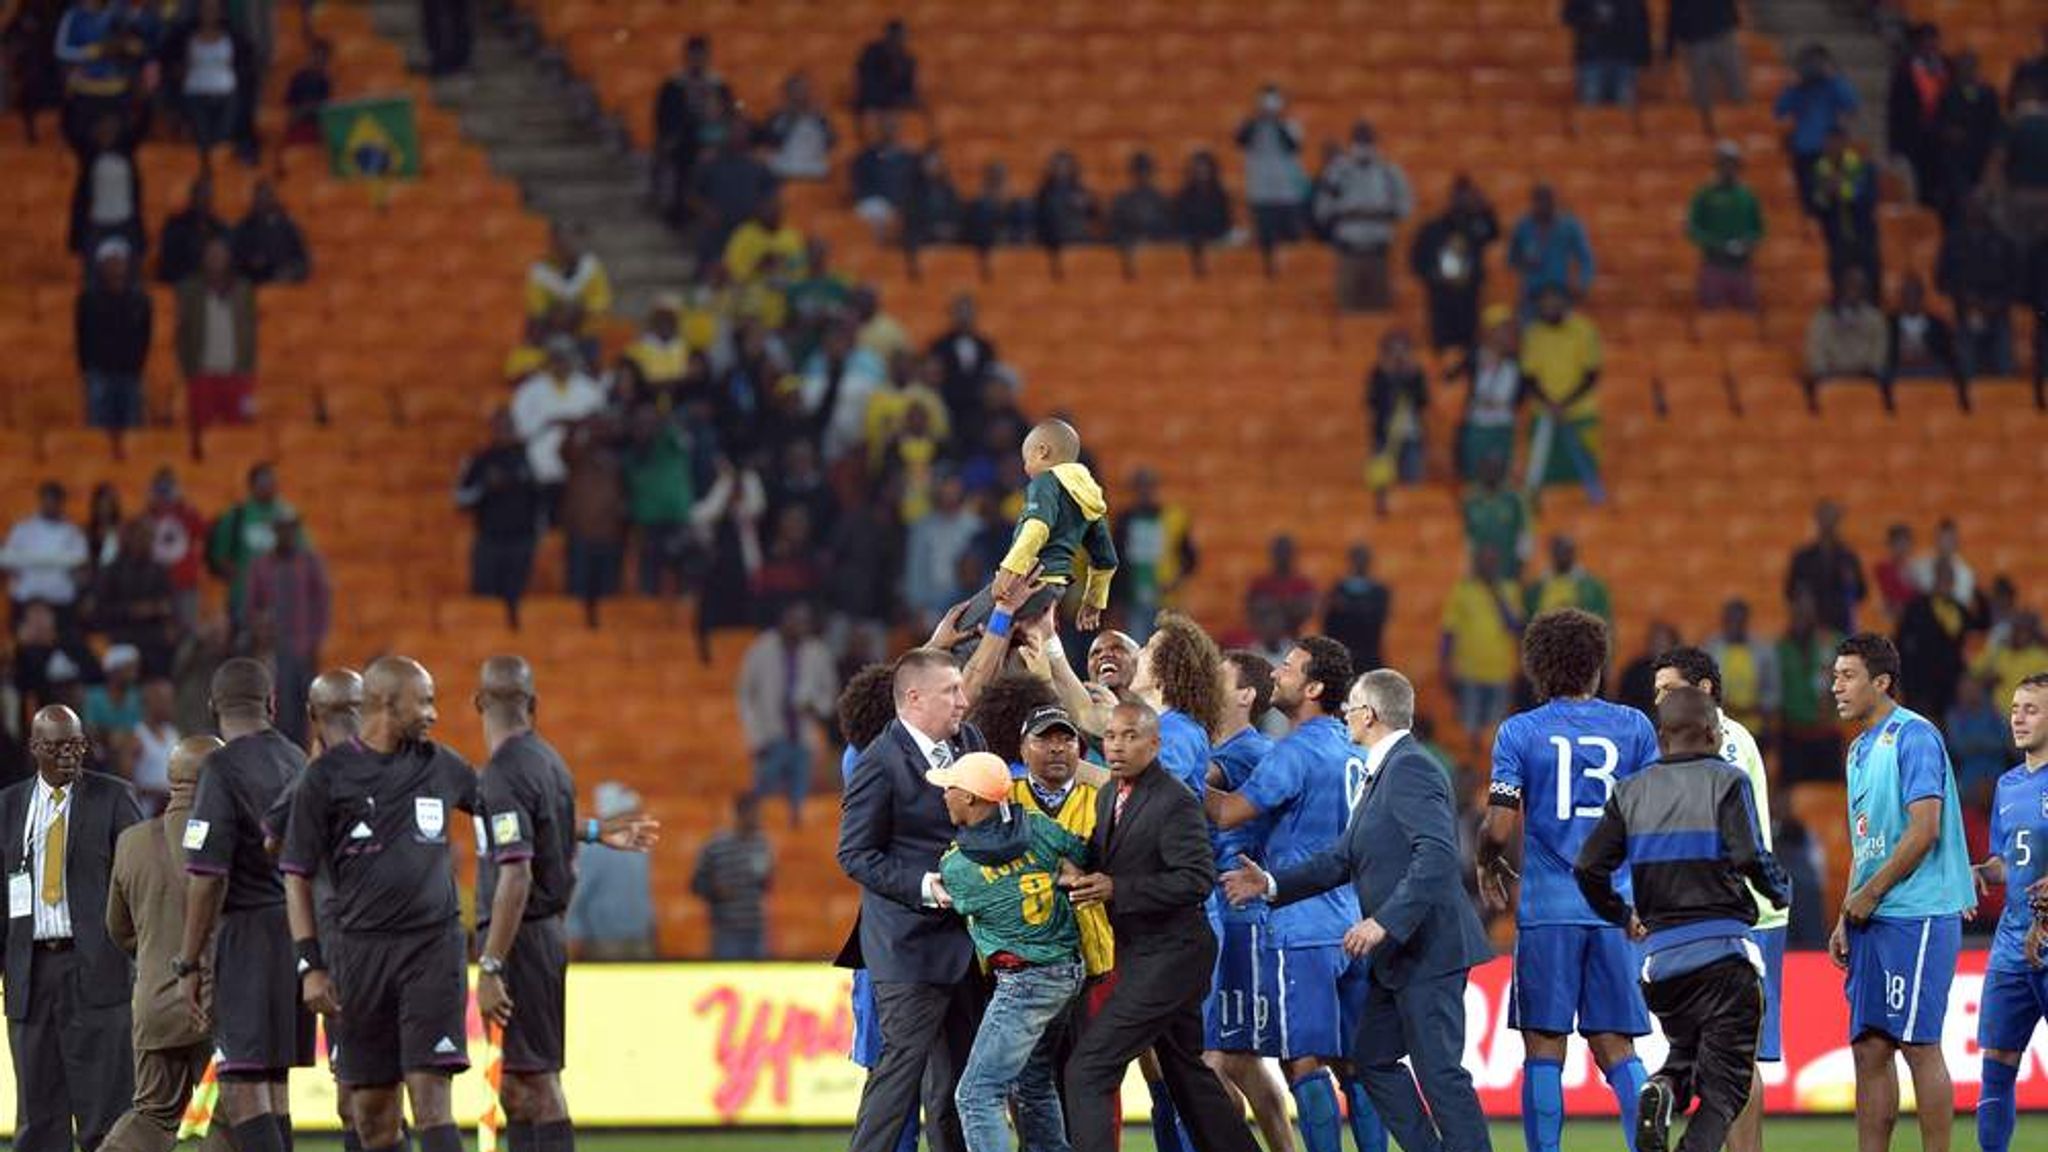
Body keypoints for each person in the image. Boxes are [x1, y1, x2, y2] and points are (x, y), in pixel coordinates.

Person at [1222, 669, 1494, 1152]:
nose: (1345, 714)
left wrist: (1384, 921)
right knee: (1371, 1060)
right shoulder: (1380, 770)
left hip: (1428, 949)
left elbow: (1435, 855)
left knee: (1439, 1074)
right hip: (1400, 955)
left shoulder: (1411, 767)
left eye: (1350, 707)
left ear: (1368, 714)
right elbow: (1341, 859)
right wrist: (1270, 884)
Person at [1573, 687, 1791, 1152]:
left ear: (1660, 736)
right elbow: (1751, 854)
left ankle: (1663, 1089)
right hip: (1724, 955)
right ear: (1712, 733)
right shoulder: (1727, 780)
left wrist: (1621, 913)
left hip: (1660, 967)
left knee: (1687, 1057)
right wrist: (1780, 888)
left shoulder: (1629, 791)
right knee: (1725, 1089)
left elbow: (1587, 867)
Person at [1476, 608, 1659, 1152]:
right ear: (1597, 666)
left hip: (1549, 909)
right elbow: (1651, 821)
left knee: (1544, 1048)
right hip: (1614, 909)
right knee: (1616, 1047)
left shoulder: (1519, 732)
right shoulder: (1634, 727)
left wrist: (1487, 856)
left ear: (1539, 667)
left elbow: (1501, 823)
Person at [279, 657, 478, 1152]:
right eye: (425, 700)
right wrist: (310, 965)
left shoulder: (441, 765)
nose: (433, 712)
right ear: (388, 702)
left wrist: (593, 832)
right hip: (358, 956)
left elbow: (506, 808)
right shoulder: (325, 777)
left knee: (432, 1096)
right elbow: (295, 874)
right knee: (371, 1114)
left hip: (432, 950)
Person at [1204, 638, 1385, 1152]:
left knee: (1303, 1061)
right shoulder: (1356, 748)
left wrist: (1167, 775)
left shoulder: (1298, 750)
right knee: (1355, 1066)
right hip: (1353, 922)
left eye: (1288, 667)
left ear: (1313, 687)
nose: (1277, 674)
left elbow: (1226, 812)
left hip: (1302, 927)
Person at [471, 656, 655, 1152]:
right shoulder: (551, 764)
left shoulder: (503, 773)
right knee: (517, 1085)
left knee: (537, 1083)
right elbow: (544, 833)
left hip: (519, 940)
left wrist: (490, 963)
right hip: (542, 934)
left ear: (478, 703)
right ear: (533, 705)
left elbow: (515, 873)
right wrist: (595, 830)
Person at [1062, 701, 1260, 1152]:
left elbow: (1195, 880)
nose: (1116, 745)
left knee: (1089, 1067)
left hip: (1173, 954)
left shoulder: (1176, 800)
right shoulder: (1112, 793)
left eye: (1129, 736)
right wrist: (1075, 866)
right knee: (1185, 1072)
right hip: (1147, 954)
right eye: (1110, 736)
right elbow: (1104, 855)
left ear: (1154, 744)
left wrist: (1118, 889)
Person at [835, 647, 990, 1152]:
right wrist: (926, 887)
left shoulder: (970, 742)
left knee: (957, 1087)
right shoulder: (879, 762)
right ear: (914, 698)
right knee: (899, 1078)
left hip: (970, 946)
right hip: (908, 948)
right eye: (952, 691)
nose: (964, 701)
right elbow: (854, 853)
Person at [1829, 632, 1973, 1152]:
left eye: (1847, 676)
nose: (1835, 687)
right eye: (1835, 676)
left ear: (1881, 682)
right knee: (1869, 1047)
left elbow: (1924, 829)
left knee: (1918, 1044)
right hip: (1873, 916)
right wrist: (1848, 911)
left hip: (1919, 911)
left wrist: (1870, 896)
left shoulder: (1913, 736)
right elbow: (1863, 840)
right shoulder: (1858, 749)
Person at [1648, 648, 1787, 1152]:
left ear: (1704, 689)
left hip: (1743, 916)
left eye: (1669, 689)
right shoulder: (1690, 742)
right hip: (1712, 917)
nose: (1658, 698)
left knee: (1737, 1058)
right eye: (1657, 689)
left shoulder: (1724, 742)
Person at [174, 658, 310, 1152]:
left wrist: (188, 963)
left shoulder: (221, 767)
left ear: (213, 708)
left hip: (248, 938)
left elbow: (207, 878)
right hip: (297, 933)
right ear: (272, 704)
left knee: (243, 1089)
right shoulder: (297, 759)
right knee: (273, 1090)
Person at [929, 751, 1088, 1152]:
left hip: (1024, 981)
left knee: (976, 1095)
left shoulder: (958, 866)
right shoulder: (1038, 826)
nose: (944, 795)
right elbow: (1082, 854)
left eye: (950, 788)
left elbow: (959, 902)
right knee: (1033, 1082)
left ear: (970, 799)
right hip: (1067, 972)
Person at [2, 704, 143, 1152]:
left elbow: (138, 884)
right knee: (38, 1115)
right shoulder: (6, 807)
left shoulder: (115, 797)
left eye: (76, 744)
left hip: (98, 970)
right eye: (57, 746)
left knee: (106, 1109)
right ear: (34, 748)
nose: (69, 754)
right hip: (29, 973)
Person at [103, 734, 230, 1152]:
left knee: (154, 1114)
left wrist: (159, 962)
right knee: (227, 1118)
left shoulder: (131, 842)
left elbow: (117, 927)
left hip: (155, 1004)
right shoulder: (232, 838)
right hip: (218, 1009)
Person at [1197, 655, 1294, 1152]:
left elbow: (1183, 780)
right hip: (1217, 910)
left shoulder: (1248, 751)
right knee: (1240, 1061)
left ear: (1245, 695)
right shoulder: (1222, 747)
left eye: (1219, 676)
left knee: (1215, 1062)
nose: (1206, 682)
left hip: (1239, 915)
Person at [1972, 673, 2048, 1152]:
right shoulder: (2008, 783)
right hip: (2010, 947)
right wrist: (1982, 869)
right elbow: (2010, 859)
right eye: (2015, 707)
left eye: (2032, 709)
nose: (2017, 717)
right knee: (1997, 1063)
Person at [957, 419, 1117, 639]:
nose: (1025, 468)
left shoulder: (1046, 482)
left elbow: (1037, 528)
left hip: (1028, 581)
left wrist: (1008, 571)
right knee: (1019, 647)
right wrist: (1095, 600)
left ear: (1043, 451)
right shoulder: (1089, 496)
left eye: (1027, 459)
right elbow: (1106, 559)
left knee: (963, 628)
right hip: (1055, 590)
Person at [737, 601, 837, 825]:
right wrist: (755, 736)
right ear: (783, 621)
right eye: (794, 621)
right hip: (770, 738)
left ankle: (795, 842)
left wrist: (814, 706)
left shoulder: (817, 652)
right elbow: (745, 695)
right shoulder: (760, 649)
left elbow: (829, 696)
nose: (798, 626)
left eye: (803, 622)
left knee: (799, 804)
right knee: (765, 800)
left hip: (803, 739)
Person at [243, 513, 328, 745]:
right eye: (282, 529)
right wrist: (259, 632)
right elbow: (251, 606)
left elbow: (321, 604)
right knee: (277, 708)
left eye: (291, 530)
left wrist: (316, 642)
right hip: (273, 650)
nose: (287, 535)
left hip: (302, 650)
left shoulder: (309, 563)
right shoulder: (261, 566)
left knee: (303, 711)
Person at [1312, 121, 1412, 312]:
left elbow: (1405, 208)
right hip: (1349, 253)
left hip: (1379, 254)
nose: (1364, 146)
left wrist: (1378, 212)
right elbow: (1321, 211)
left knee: (1378, 311)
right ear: (1351, 143)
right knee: (1348, 309)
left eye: (1367, 140)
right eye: (1360, 140)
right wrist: (1347, 212)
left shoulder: (1389, 173)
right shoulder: (1337, 172)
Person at [457, 409, 542, 628]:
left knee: (516, 598)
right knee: (485, 600)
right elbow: (461, 499)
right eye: (499, 427)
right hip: (489, 540)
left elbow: (540, 498)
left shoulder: (529, 458)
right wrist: (485, 487)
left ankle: (512, 641)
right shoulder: (479, 459)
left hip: (522, 540)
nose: (504, 431)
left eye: (508, 426)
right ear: (492, 430)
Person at [1518, 286, 1605, 499]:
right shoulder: (1533, 333)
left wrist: (1564, 403)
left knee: (1583, 470)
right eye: (1543, 304)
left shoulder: (1585, 330)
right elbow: (1529, 377)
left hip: (1580, 413)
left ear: (1565, 303)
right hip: (1545, 413)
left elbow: (1591, 374)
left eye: (1552, 302)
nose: (1548, 308)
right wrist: (1550, 404)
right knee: (1542, 474)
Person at [1441, 547, 1523, 762]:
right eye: (1484, 562)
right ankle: (1469, 777)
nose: (1488, 567)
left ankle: (1490, 779)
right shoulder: (1463, 590)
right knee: (1468, 733)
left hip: (1500, 673)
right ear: (1477, 564)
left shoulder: (1510, 590)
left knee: (1495, 735)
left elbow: (1515, 627)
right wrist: (1445, 663)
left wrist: (1497, 594)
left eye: (1492, 562)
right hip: (1469, 673)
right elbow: (1449, 631)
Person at [511, 338, 606, 518]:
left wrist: (573, 425)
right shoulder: (529, 390)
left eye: (564, 358)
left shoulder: (590, 389)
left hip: (578, 466)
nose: (560, 363)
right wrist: (550, 422)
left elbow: (598, 425)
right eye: (556, 358)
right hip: (539, 466)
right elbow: (520, 426)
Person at [563, 783, 657, 962]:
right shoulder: (591, 849)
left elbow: (643, 891)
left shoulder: (639, 844)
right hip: (604, 942)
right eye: (629, 813)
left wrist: (651, 926)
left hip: (640, 938)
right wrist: (574, 935)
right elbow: (577, 893)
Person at [1408, 176, 1500, 354]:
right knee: (1441, 349)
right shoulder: (1432, 229)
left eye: (1467, 196)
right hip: (1441, 300)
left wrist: (1484, 208)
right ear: (1450, 197)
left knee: (1469, 348)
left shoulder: (1475, 227)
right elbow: (1416, 261)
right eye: (1459, 196)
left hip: (1469, 298)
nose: (1463, 201)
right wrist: (1433, 275)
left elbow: (1494, 233)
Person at [175, 237, 257, 431]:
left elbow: (250, 330)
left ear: (228, 257)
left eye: (220, 254)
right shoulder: (190, 290)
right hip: (203, 374)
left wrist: (247, 368)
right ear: (203, 258)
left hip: (235, 374)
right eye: (211, 254)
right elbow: (183, 332)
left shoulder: (243, 289)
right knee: (201, 430)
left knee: (238, 434)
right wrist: (190, 369)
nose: (215, 258)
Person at [75, 237, 152, 433]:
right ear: (101, 266)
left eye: (120, 262)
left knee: (132, 432)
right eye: (110, 262)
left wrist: (135, 365)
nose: (115, 267)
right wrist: (89, 368)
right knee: (98, 433)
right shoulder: (88, 301)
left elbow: (145, 337)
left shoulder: (140, 301)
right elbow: (82, 338)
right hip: (99, 374)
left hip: (130, 375)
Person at [1774, 44, 1860, 210]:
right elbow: (1779, 111)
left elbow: (1851, 105)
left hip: (1829, 151)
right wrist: (1791, 86)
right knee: (1810, 203)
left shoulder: (1832, 86)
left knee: (1835, 200)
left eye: (1817, 62)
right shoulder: (1797, 90)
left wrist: (1833, 77)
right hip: (1804, 152)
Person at [1236, 85, 1308, 275]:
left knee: (1292, 240)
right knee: (1265, 242)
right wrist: (1258, 118)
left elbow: (1292, 146)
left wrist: (1277, 121)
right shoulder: (1251, 126)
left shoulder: (1291, 125)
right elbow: (1240, 139)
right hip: (1261, 194)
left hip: (1286, 194)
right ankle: (1269, 277)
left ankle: (1291, 276)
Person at [691, 794, 773, 959]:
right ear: (740, 814)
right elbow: (696, 884)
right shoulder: (716, 846)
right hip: (727, 929)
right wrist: (715, 891)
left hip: (755, 927)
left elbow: (766, 884)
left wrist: (767, 878)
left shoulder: (762, 845)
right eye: (752, 814)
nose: (756, 818)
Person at [1687, 142, 1764, 311]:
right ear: (1717, 165)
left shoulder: (1747, 196)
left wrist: (1747, 243)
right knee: (1713, 316)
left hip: (1742, 266)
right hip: (1714, 265)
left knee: (1746, 315)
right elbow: (1692, 228)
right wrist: (1717, 245)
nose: (1728, 167)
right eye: (1724, 163)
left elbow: (1758, 229)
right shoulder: (1705, 195)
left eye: (1732, 163)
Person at [2, 480, 90, 623]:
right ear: (41, 500)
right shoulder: (22, 530)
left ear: (62, 502)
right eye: (47, 499)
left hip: (60, 602)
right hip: (26, 599)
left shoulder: (74, 534)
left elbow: (80, 569)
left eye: (55, 500)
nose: (51, 504)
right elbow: (8, 563)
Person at [1886, 23, 1950, 210]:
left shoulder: (1947, 66)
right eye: (1926, 40)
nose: (1930, 44)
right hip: (1914, 138)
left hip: (1943, 139)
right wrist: (1894, 145)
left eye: (1933, 39)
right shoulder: (1904, 69)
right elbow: (1895, 109)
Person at [1810, 128, 1880, 294]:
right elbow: (1816, 205)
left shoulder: (1862, 167)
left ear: (1845, 143)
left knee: (1870, 286)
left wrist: (1841, 189)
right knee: (1840, 288)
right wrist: (1826, 193)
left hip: (1863, 237)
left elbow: (1867, 198)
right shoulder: (1820, 171)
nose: (1831, 147)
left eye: (1835, 142)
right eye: (1828, 143)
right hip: (1836, 240)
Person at [1785, 500, 1867, 635]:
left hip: (1840, 625)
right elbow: (1790, 591)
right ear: (1817, 521)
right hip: (1810, 627)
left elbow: (1861, 592)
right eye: (1824, 518)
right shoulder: (1803, 557)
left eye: (1832, 519)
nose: (1827, 524)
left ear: (1838, 522)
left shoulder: (1847, 557)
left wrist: (1851, 583)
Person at [1508, 184, 1594, 309]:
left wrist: (1582, 283)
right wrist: (1525, 262)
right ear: (1533, 202)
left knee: (1560, 328)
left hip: (1560, 293)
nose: (1543, 205)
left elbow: (1586, 259)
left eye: (1547, 200)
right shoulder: (1523, 226)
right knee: (1531, 328)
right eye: (1539, 200)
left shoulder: (1569, 226)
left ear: (1555, 201)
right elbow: (1511, 259)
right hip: (1532, 294)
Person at [1364, 329, 1427, 497]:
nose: (1399, 356)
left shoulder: (1416, 374)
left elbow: (1422, 401)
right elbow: (1372, 401)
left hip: (1410, 435)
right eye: (1394, 351)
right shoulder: (1378, 374)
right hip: (1384, 437)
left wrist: (1410, 376)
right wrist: (1388, 376)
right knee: (1380, 486)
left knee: (1412, 485)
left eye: (1403, 351)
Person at [1668, 0, 1745, 127]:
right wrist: (1670, 48)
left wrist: (1733, 22)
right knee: (1701, 90)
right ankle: (1705, 127)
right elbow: (1674, 13)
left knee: (1735, 83)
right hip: (1696, 40)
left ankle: (1743, 123)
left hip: (1722, 34)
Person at [1564, 0, 1650, 106]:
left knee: (1625, 112)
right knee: (1591, 110)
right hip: (1592, 58)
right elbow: (1568, 16)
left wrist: (1643, 58)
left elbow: (1641, 22)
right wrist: (1592, 19)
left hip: (1625, 59)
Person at [1322, 545, 1389, 674]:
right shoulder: (1338, 589)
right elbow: (1329, 624)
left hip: (1369, 656)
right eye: (1357, 559)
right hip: (1343, 658)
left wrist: (1348, 607)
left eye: (1363, 559)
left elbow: (1377, 620)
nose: (1360, 563)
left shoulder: (1379, 592)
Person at [230, 180, 309, 286]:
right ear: (254, 201)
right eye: (260, 199)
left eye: (267, 197)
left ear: (273, 199)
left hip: (285, 286)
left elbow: (303, 261)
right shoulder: (243, 229)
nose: (263, 202)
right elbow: (235, 263)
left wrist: (292, 272)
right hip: (256, 285)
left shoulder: (288, 227)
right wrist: (250, 264)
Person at [761, 72, 834, 181]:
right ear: (787, 93)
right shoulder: (777, 118)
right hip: (784, 171)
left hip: (815, 171)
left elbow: (831, 142)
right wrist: (791, 120)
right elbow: (771, 143)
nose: (800, 95)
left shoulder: (819, 117)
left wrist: (820, 119)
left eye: (804, 90)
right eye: (795, 90)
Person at [853, 19, 919, 117]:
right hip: (873, 97)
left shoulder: (907, 60)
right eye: (895, 36)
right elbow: (865, 77)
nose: (898, 40)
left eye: (901, 37)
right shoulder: (872, 53)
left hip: (896, 99)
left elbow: (909, 86)